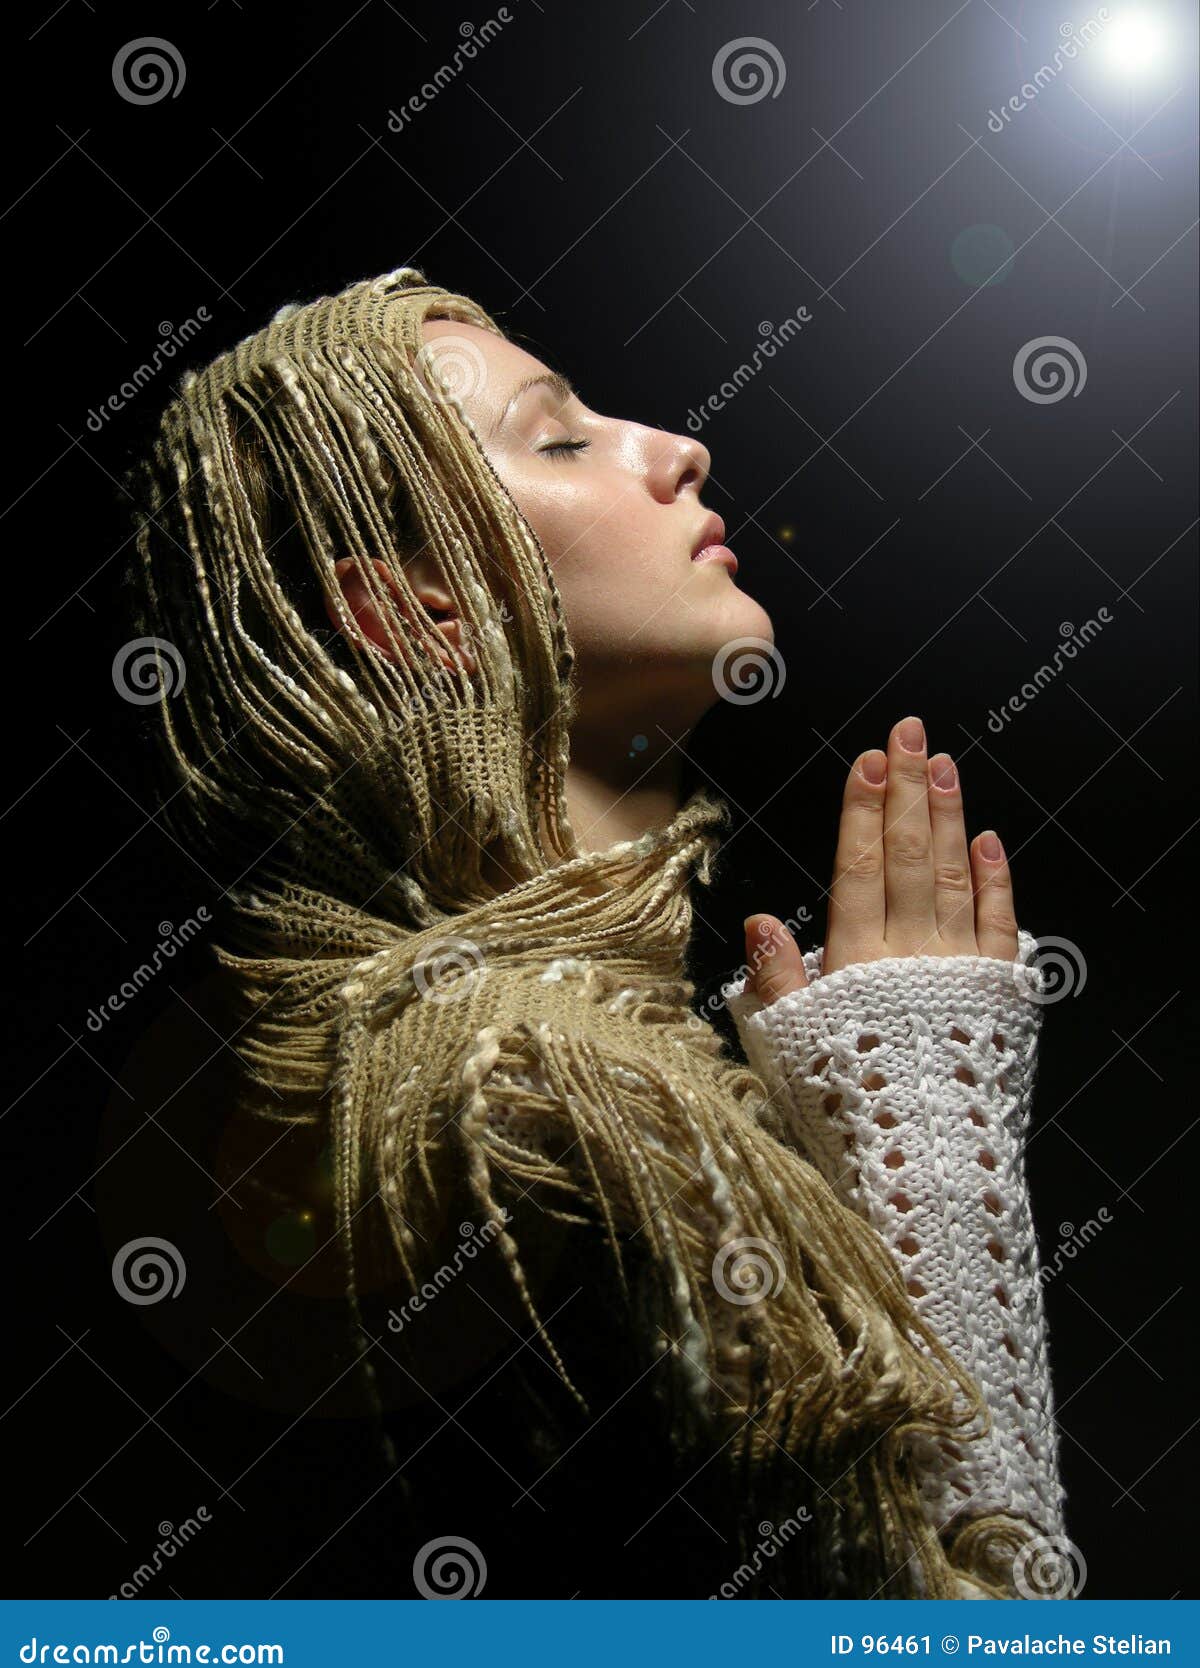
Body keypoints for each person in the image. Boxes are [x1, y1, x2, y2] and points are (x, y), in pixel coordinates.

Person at [121, 266, 1067, 1600]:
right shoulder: (540, 1090)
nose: (681, 449)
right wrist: (933, 1139)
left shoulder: (516, 1054)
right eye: (556, 436)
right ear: (418, 610)